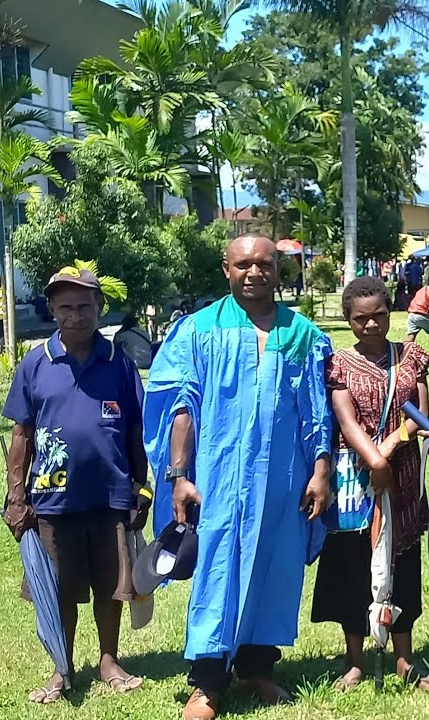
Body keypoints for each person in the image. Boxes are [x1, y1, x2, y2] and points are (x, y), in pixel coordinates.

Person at [143, 234, 334, 720]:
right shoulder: (200, 330)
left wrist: (321, 470)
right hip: (218, 475)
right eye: (244, 264)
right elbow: (182, 405)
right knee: (216, 569)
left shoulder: (303, 334)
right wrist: (179, 476)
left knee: (275, 565)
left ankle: (256, 669)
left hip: (283, 478)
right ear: (226, 269)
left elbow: (316, 412)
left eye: (265, 264)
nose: (255, 273)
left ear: (279, 270)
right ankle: (207, 683)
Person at [2, 267, 149, 705]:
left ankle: (108, 661)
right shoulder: (36, 363)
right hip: (52, 498)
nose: (76, 314)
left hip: (110, 494)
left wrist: (141, 488)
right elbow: (22, 434)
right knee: (58, 586)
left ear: (99, 309)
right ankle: (60, 667)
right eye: (66, 306)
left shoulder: (118, 362)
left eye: (85, 306)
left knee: (111, 584)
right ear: (52, 309)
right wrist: (16, 495)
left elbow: (136, 431)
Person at [311, 277, 429, 692]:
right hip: (357, 481)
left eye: (379, 316)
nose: (371, 325)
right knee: (353, 565)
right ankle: (355, 660)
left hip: (402, 476)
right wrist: (374, 459)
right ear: (349, 320)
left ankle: (404, 658)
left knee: (402, 561)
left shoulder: (410, 358)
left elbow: (421, 414)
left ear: (391, 312)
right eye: (360, 318)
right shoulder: (339, 364)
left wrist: (395, 445)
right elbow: (346, 422)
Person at [405, 272, 429, 347]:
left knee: (410, 338)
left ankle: (400, 352)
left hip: (411, 314)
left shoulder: (423, 289)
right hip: (421, 315)